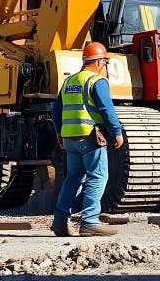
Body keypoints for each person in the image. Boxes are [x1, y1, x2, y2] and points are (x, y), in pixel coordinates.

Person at [51, 42, 124, 237]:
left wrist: (59, 132)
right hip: (89, 137)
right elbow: (106, 109)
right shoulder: (96, 81)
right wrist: (116, 131)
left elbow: (55, 109)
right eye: (104, 62)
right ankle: (90, 221)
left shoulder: (69, 81)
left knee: (73, 177)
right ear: (99, 62)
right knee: (98, 176)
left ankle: (60, 221)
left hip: (69, 139)